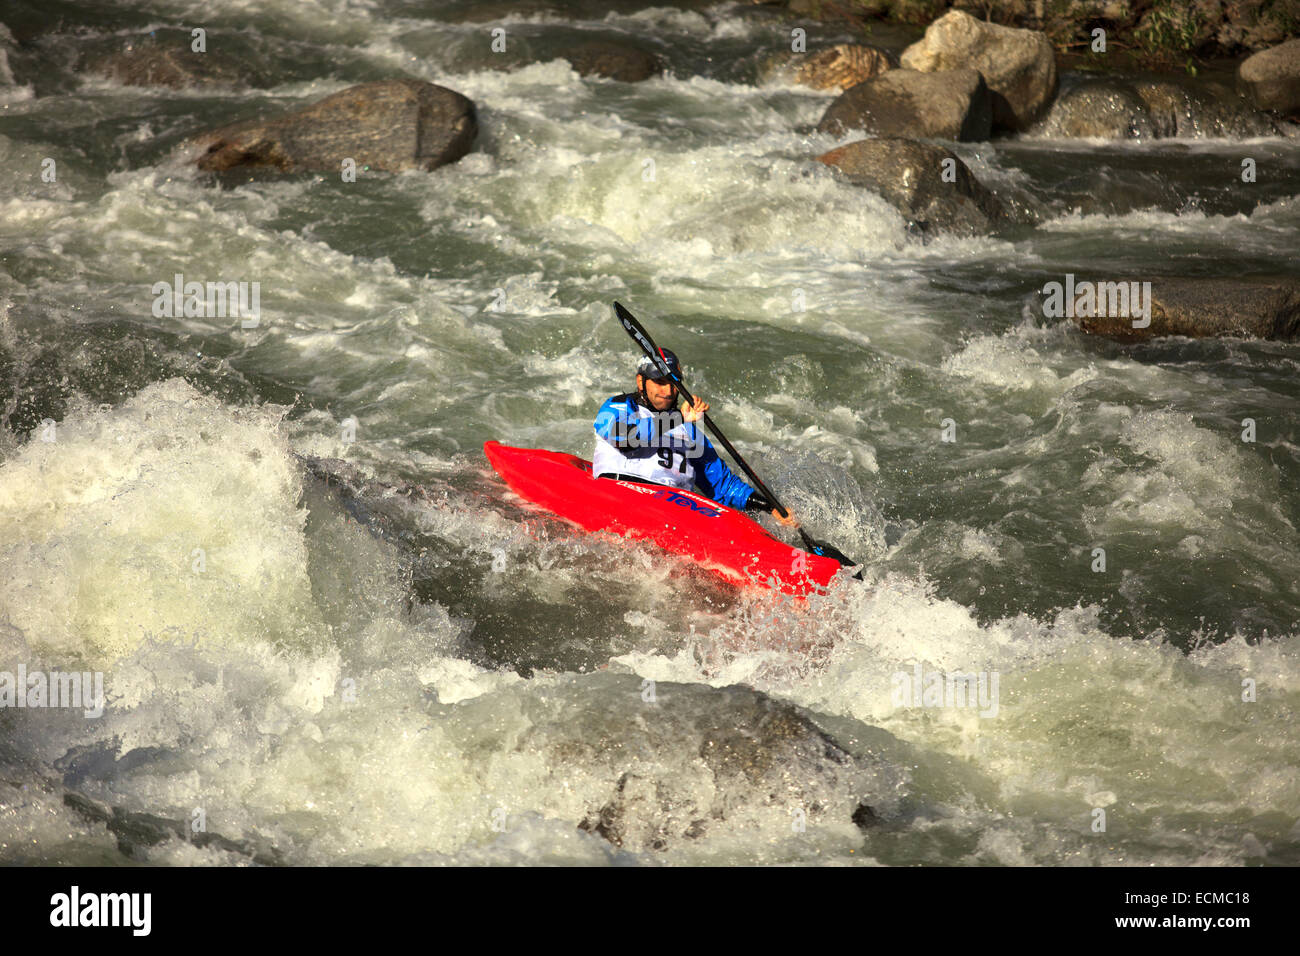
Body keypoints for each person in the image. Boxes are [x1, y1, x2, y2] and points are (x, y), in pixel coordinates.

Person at [592, 349, 798, 526]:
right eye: (660, 382)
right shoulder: (619, 407)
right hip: (619, 494)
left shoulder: (689, 430)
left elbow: (721, 485)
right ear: (641, 382)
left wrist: (768, 506)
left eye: (673, 383)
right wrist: (678, 417)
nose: (668, 391)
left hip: (672, 512)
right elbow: (625, 438)